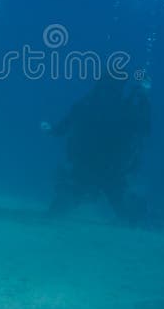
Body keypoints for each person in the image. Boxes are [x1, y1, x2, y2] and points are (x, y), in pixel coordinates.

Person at [41, 76, 151, 221]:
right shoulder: (126, 109)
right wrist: (143, 99)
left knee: (64, 204)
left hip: (87, 167)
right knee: (123, 209)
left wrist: (50, 130)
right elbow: (144, 129)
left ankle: (54, 215)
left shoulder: (86, 104)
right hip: (112, 170)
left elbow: (61, 129)